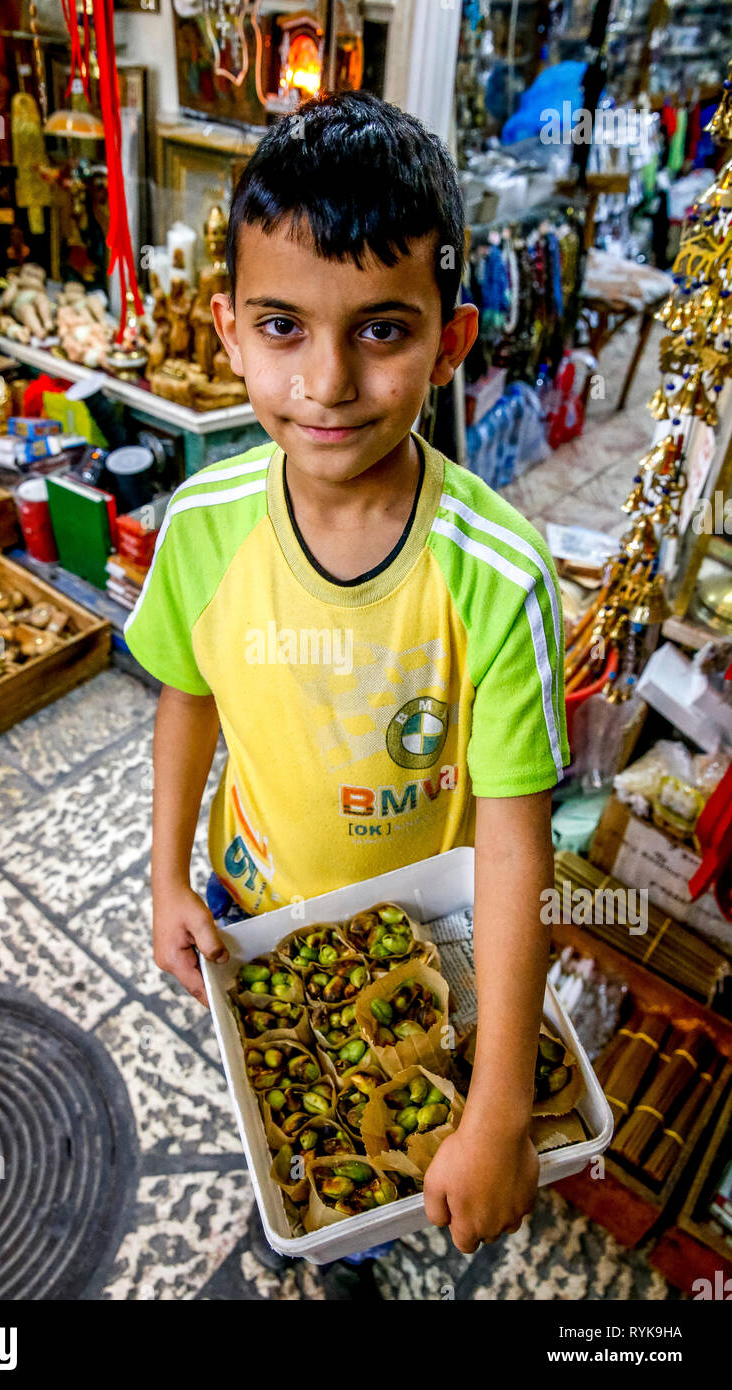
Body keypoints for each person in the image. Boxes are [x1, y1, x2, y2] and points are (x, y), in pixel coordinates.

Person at [124, 90, 568, 1272]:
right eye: (281, 325)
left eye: (380, 330)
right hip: (252, 910)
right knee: (289, 1125)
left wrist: (500, 1109)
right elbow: (187, 696)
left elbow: (519, 836)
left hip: (427, 933)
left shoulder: (497, 578)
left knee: (403, 1146)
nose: (324, 380)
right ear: (224, 328)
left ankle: (359, 1246)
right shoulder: (204, 528)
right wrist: (167, 873)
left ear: (451, 339)